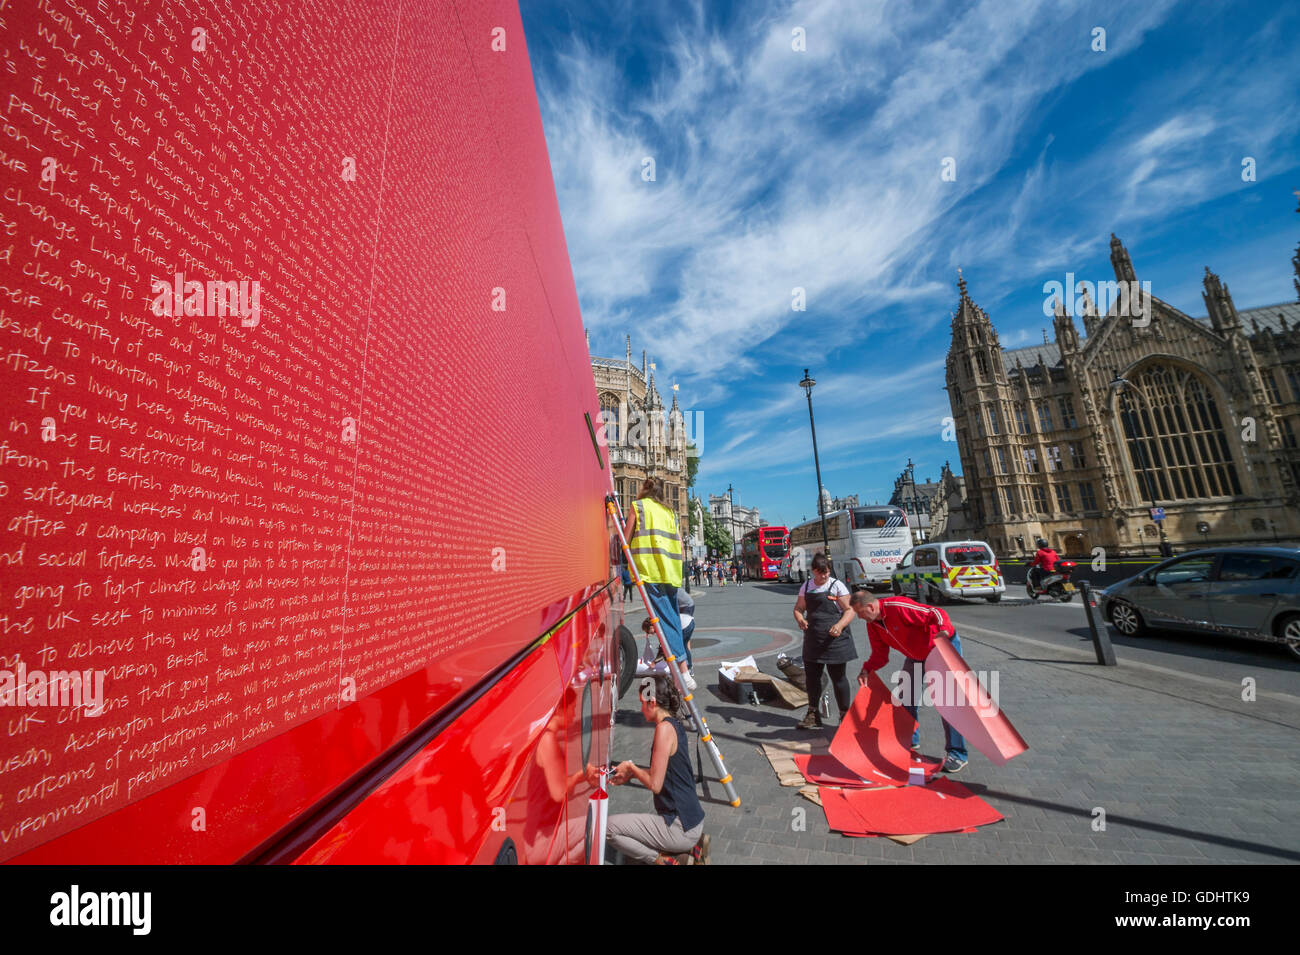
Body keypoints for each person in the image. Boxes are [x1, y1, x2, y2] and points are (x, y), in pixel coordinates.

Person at [848, 591, 969, 773]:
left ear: (871, 606)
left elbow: (936, 613)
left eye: (861, 613)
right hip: (915, 655)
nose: (859, 617)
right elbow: (880, 655)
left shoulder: (898, 606)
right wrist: (867, 669)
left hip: (940, 648)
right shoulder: (873, 624)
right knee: (906, 697)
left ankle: (957, 754)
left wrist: (942, 631)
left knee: (948, 702)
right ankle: (910, 739)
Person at [607, 677, 709, 865]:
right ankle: (690, 847)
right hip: (693, 820)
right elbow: (665, 773)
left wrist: (631, 767)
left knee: (608, 828)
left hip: (681, 828)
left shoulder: (663, 730)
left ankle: (661, 860)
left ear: (652, 702)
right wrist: (632, 773)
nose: (640, 709)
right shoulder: (674, 724)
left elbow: (655, 784)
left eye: (642, 703)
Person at [624, 477, 693, 690]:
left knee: (666, 620)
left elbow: (625, 540)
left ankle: (683, 670)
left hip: (650, 571)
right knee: (671, 616)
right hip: (670, 573)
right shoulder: (670, 513)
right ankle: (683, 667)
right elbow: (680, 545)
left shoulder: (638, 507)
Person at [791, 553, 857, 729]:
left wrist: (840, 625)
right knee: (812, 678)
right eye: (821, 573)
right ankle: (813, 714)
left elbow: (849, 610)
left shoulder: (837, 585)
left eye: (827, 572)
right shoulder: (806, 586)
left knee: (839, 678)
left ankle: (844, 716)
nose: (825, 576)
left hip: (835, 641)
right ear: (813, 571)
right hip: (814, 640)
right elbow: (798, 608)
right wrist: (800, 619)